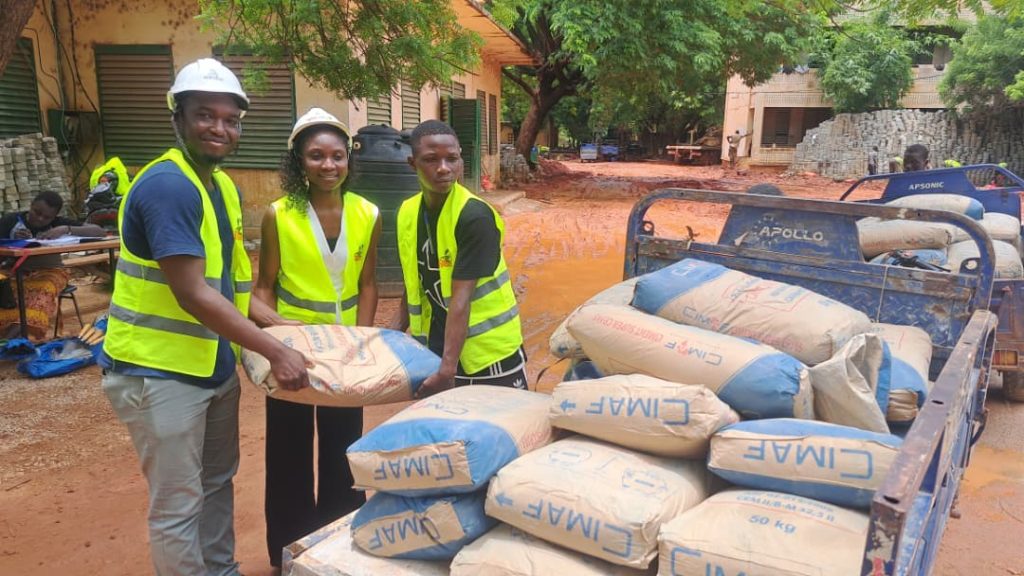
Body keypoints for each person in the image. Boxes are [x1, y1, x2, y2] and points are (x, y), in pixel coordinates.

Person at [99, 58, 311, 576]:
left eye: (230, 119)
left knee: (217, 484)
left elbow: (233, 290)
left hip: (211, 368)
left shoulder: (220, 188)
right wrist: (275, 350)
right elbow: (193, 293)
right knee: (177, 506)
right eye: (205, 115)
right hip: (159, 372)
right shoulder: (168, 187)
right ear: (178, 117)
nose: (220, 128)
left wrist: (290, 330)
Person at [252, 107, 381, 568]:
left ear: (349, 160)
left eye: (338, 156)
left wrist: (361, 342)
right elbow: (260, 293)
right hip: (290, 353)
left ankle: (338, 552)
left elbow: (368, 285)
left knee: (342, 451)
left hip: (345, 352)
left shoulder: (368, 213)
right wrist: (283, 335)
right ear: (298, 162)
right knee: (287, 452)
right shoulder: (279, 216)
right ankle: (286, 555)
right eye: (316, 156)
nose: (328, 165)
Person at [392, 120, 526, 396]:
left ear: (461, 161)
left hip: (488, 354)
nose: (443, 169)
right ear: (412, 163)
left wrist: (446, 369)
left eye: (451, 159)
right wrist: (392, 333)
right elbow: (414, 280)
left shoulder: (474, 216)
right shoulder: (407, 212)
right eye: (431, 160)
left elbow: (461, 298)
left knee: (495, 432)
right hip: (438, 346)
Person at [0, 191, 105, 338]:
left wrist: (66, 229)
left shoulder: (58, 224)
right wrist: (12, 240)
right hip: (14, 271)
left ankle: (12, 339)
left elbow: (99, 231)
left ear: (54, 217)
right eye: (37, 212)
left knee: (43, 290)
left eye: (47, 217)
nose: (40, 219)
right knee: (6, 290)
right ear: (31, 205)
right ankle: (10, 337)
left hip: (50, 272)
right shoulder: (10, 221)